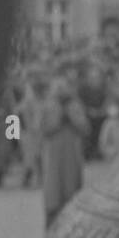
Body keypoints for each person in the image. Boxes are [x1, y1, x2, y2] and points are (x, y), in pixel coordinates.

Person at [41, 79, 90, 228]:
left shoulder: (76, 105)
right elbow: (44, 129)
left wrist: (72, 119)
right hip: (54, 157)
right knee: (53, 194)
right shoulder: (49, 105)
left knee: (71, 192)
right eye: (58, 88)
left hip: (72, 156)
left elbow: (86, 129)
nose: (62, 91)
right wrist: (58, 120)